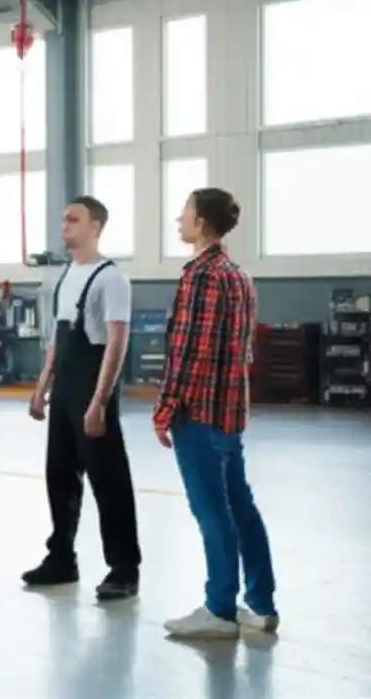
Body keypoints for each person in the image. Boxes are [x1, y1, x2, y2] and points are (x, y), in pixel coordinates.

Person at [155, 188, 278, 639]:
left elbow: (190, 352)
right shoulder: (240, 275)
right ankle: (260, 606)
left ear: (202, 222)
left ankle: (220, 609)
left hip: (200, 413)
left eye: (184, 212)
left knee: (211, 512)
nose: (179, 219)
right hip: (229, 412)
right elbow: (241, 351)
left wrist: (166, 406)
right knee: (241, 507)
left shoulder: (201, 276)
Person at [24, 195, 142, 601]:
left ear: (96, 227)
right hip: (66, 388)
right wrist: (43, 384)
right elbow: (60, 335)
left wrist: (99, 401)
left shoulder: (113, 279)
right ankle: (61, 558)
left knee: (109, 481)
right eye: (63, 218)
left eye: (73, 219)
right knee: (59, 475)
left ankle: (124, 568)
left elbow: (116, 343)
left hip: (94, 387)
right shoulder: (67, 274)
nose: (64, 225)